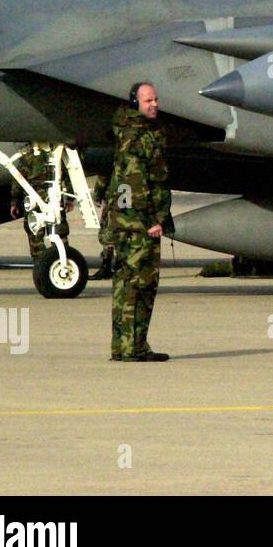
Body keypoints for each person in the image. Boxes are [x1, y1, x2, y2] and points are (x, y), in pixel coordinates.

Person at [106, 82, 174, 362]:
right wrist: (153, 220)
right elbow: (136, 183)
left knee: (125, 285)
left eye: (156, 99)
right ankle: (135, 347)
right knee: (140, 285)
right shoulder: (139, 137)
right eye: (148, 101)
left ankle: (123, 346)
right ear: (136, 103)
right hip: (139, 225)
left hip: (125, 222)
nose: (154, 104)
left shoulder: (128, 132)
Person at [8, 142, 66, 259]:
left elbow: (18, 180)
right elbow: (64, 175)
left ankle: (40, 261)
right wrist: (69, 199)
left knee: (35, 231)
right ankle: (61, 256)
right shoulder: (55, 155)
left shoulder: (26, 157)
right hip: (52, 195)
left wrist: (14, 202)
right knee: (58, 229)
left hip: (33, 196)